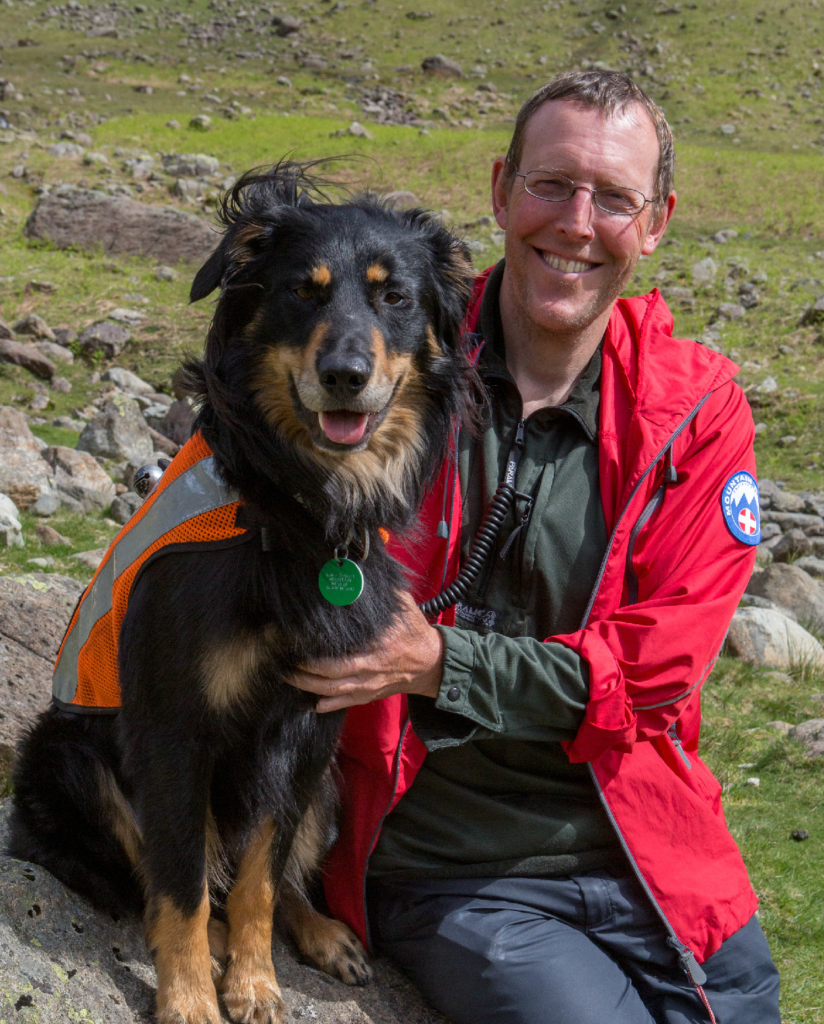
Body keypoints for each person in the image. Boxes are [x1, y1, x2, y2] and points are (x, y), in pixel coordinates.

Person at [291, 71, 780, 1024]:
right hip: (451, 868)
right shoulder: (390, 358)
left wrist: (441, 664)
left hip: (647, 847)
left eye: (615, 199)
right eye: (552, 184)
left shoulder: (696, 413)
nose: (577, 222)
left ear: (657, 222)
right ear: (501, 188)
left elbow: (658, 672)